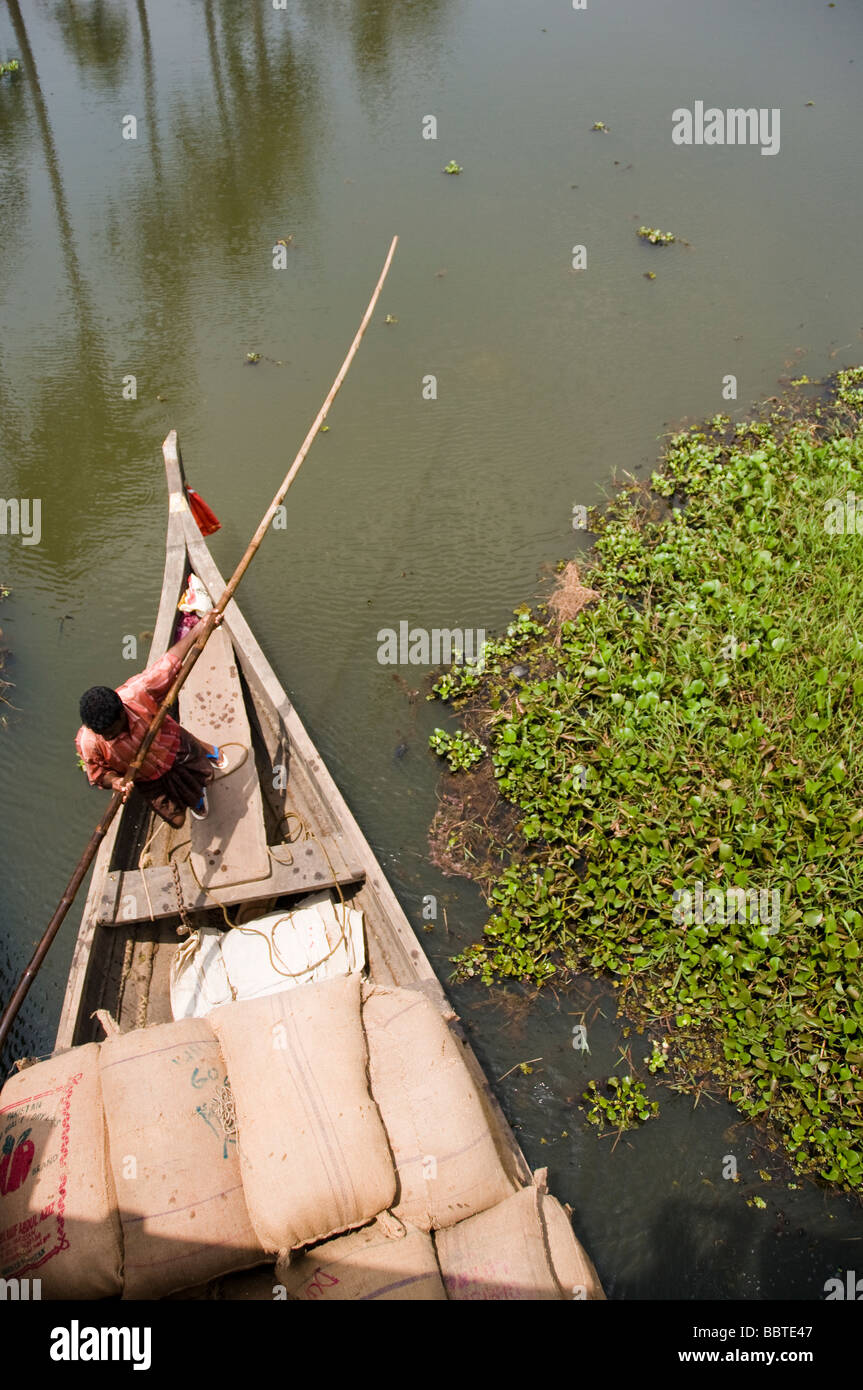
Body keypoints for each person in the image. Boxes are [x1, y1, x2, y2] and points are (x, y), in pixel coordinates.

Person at [76, 616, 226, 829]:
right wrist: (116, 782)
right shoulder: (88, 741)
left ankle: (200, 782)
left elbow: (168, 664)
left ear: (122, 714)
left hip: (173, 745)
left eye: (111, 732)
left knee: (203, 777)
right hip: (147, 778)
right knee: (177, 820)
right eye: (103, 734)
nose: (107, 738)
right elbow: (99, 774)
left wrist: (200, 628)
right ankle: (193, 791)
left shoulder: (137, 693)